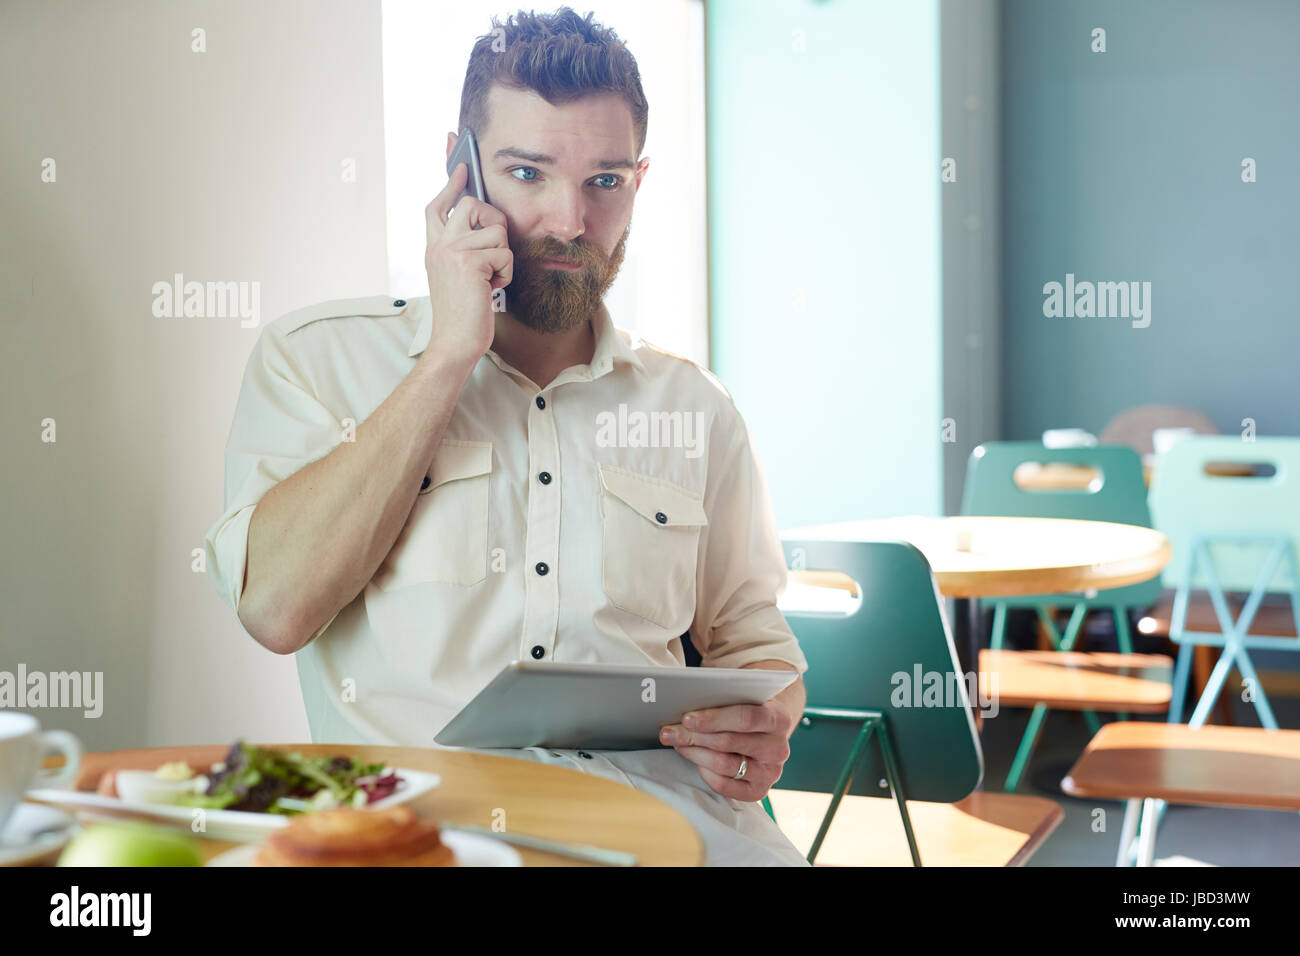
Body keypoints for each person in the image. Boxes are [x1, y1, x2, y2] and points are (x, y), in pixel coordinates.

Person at [204, 6, 809, 867]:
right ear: (461, 169)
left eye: (605, 182)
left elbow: (755, 644)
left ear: (639, 181)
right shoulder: (317, 360)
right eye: (529, 172)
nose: (569, 220)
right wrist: (449, 356)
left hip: (666, 829)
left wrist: (765, 722)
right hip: (420, 836)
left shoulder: (695, 408)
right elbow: (275, 607)